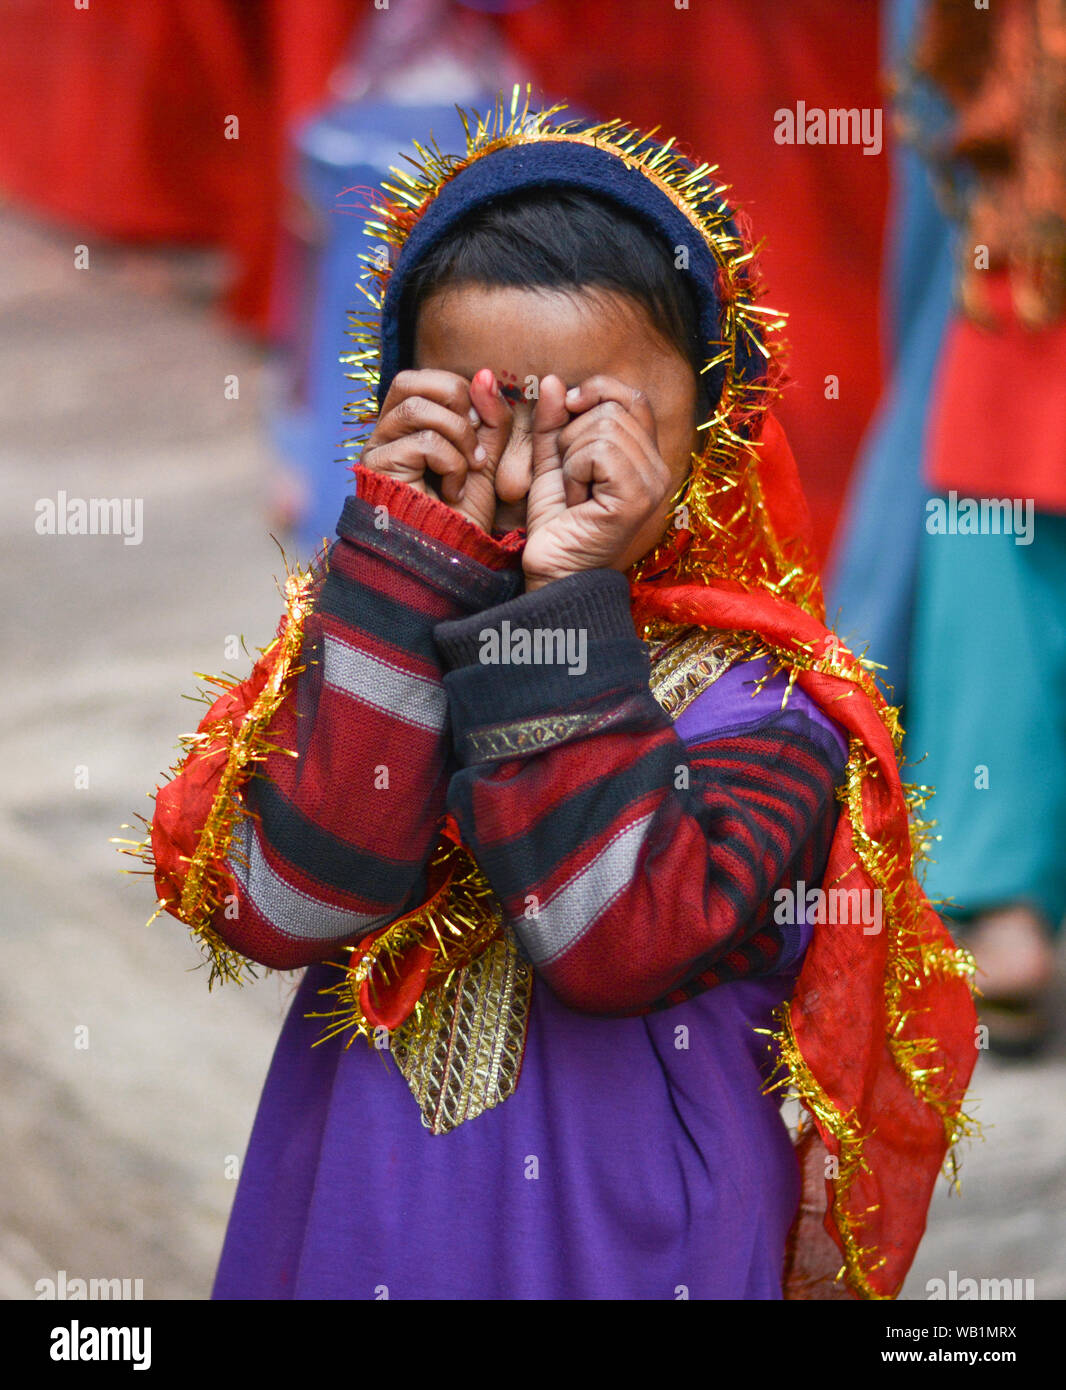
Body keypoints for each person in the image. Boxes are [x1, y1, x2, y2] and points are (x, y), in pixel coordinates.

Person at [134, 94, 977, 1300]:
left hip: (629, 1246)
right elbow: (287, 904)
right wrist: (400, 563)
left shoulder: (770, 707)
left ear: (715, 420)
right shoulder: (372, 624)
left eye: (591, 418)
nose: (530, 470)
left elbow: (612, 940)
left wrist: (557, 600)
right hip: (365, 1225)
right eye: (488, 408)